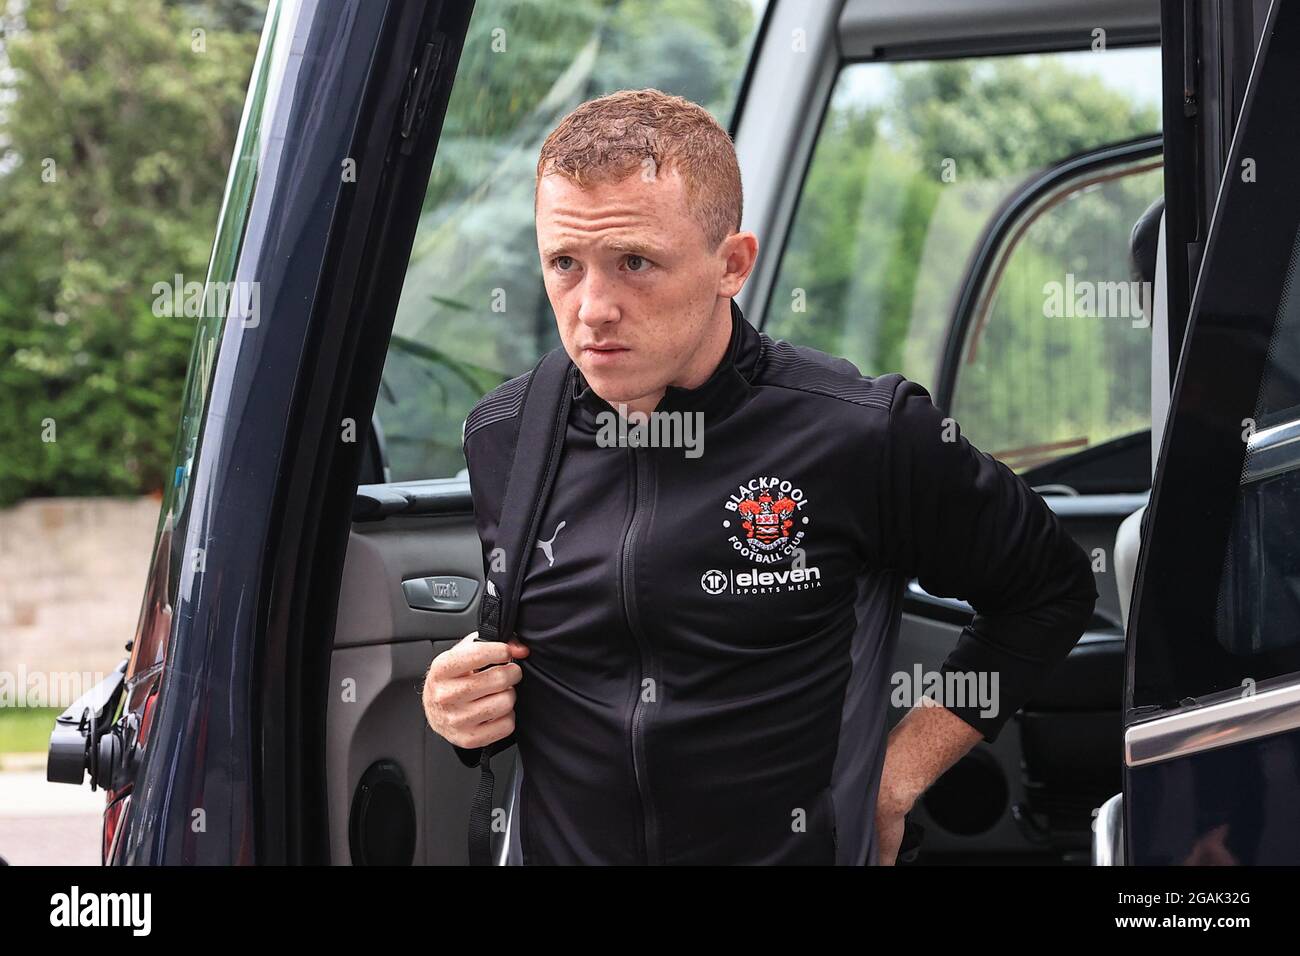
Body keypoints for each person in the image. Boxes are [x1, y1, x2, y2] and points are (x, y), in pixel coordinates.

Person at [422, 88, 1098, 865]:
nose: (592, 308)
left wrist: (895, 779)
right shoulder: (507, 435)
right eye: (565, 264)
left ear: (731, 264)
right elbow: (562, 644)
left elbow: (1048, 590)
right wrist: (455, 701)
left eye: (634, 262)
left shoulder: (860, 432)